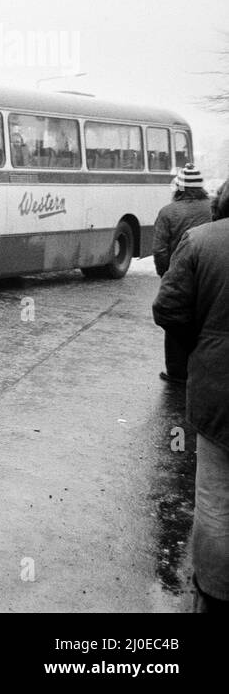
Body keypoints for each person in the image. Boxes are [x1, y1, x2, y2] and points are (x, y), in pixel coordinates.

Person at [152, 214, 229, 613]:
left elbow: (168, 309)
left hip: (220, 391)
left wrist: (202, 346)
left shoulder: (201, 241)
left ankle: (213, 597)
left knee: (217, 503)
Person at [154, 165, 213, 385]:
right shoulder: (211, 208)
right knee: (204, 320)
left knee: (175, 318)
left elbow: (160, 250)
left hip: (178, 275)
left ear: (178, 188)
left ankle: (177, 372)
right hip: (208, 275)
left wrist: (166, 275)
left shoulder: (168, 212)